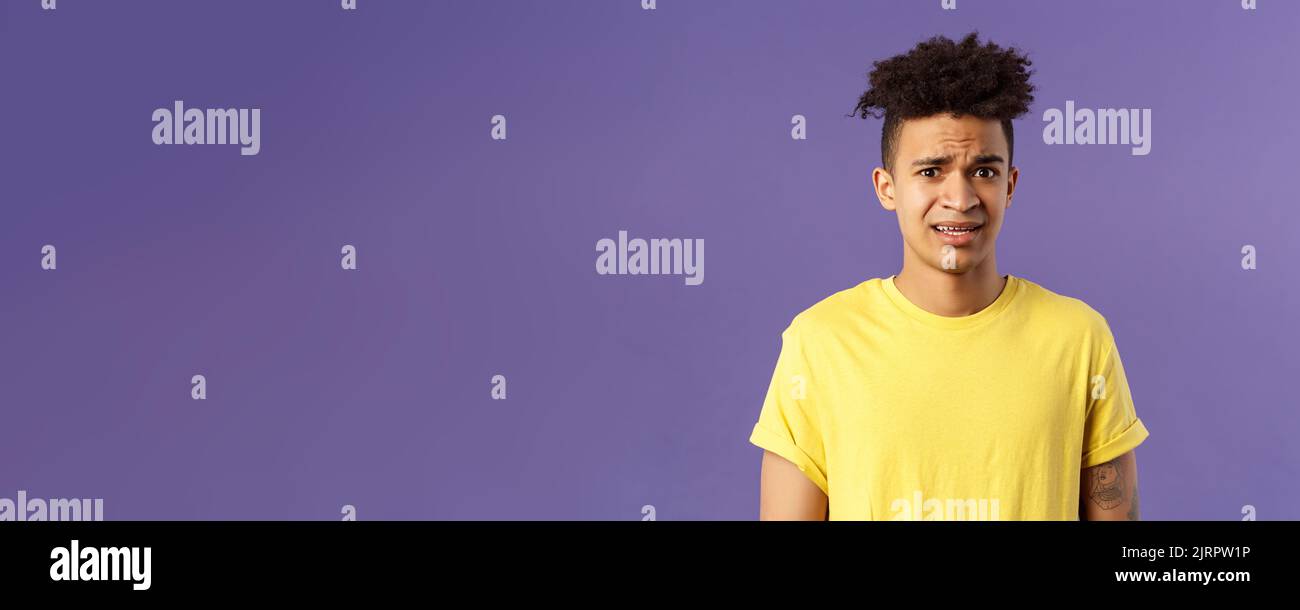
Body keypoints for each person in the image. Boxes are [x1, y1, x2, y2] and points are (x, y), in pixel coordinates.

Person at [749, 32, 1148, 521]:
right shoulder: (820, 343)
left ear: (1011, 185)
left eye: (983, 171)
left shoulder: (1079, 338)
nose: (960, 198)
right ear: (887, 187)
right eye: (931, 171)